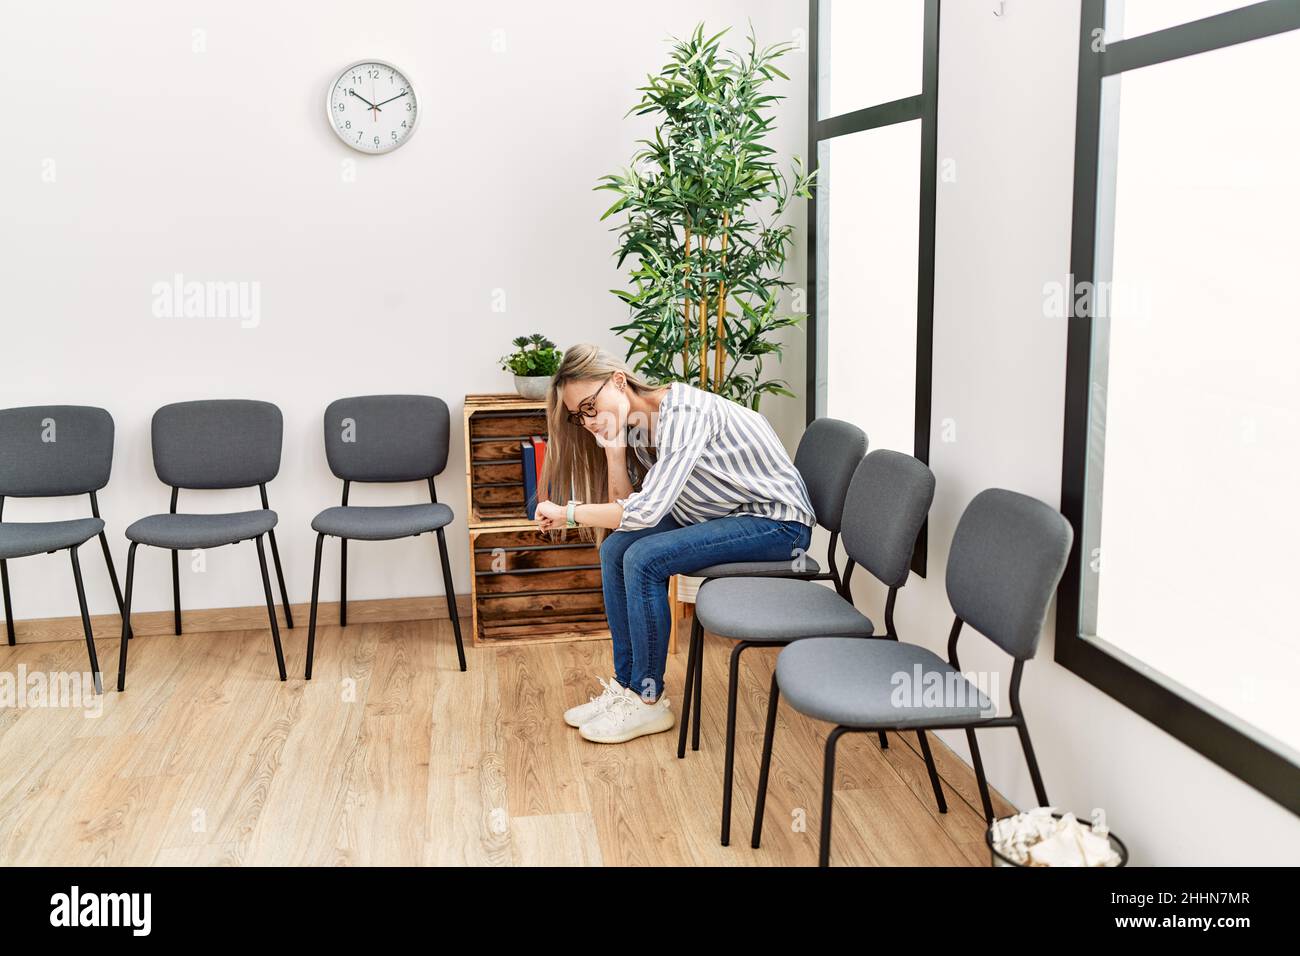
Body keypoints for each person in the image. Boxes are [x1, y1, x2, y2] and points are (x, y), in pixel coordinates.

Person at [535, 344, 815, 744]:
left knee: (645, 559)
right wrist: (615, 454)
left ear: (618, 381)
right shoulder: (636, 425)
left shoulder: (684, 414)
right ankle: (628, 687)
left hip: (777, 525)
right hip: (722, 515)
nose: (587, 421)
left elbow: (644, 513)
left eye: (589, 407)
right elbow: (627, 509)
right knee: (617, 550)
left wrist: (569, 512)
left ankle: (649, 701)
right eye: (579, 416)